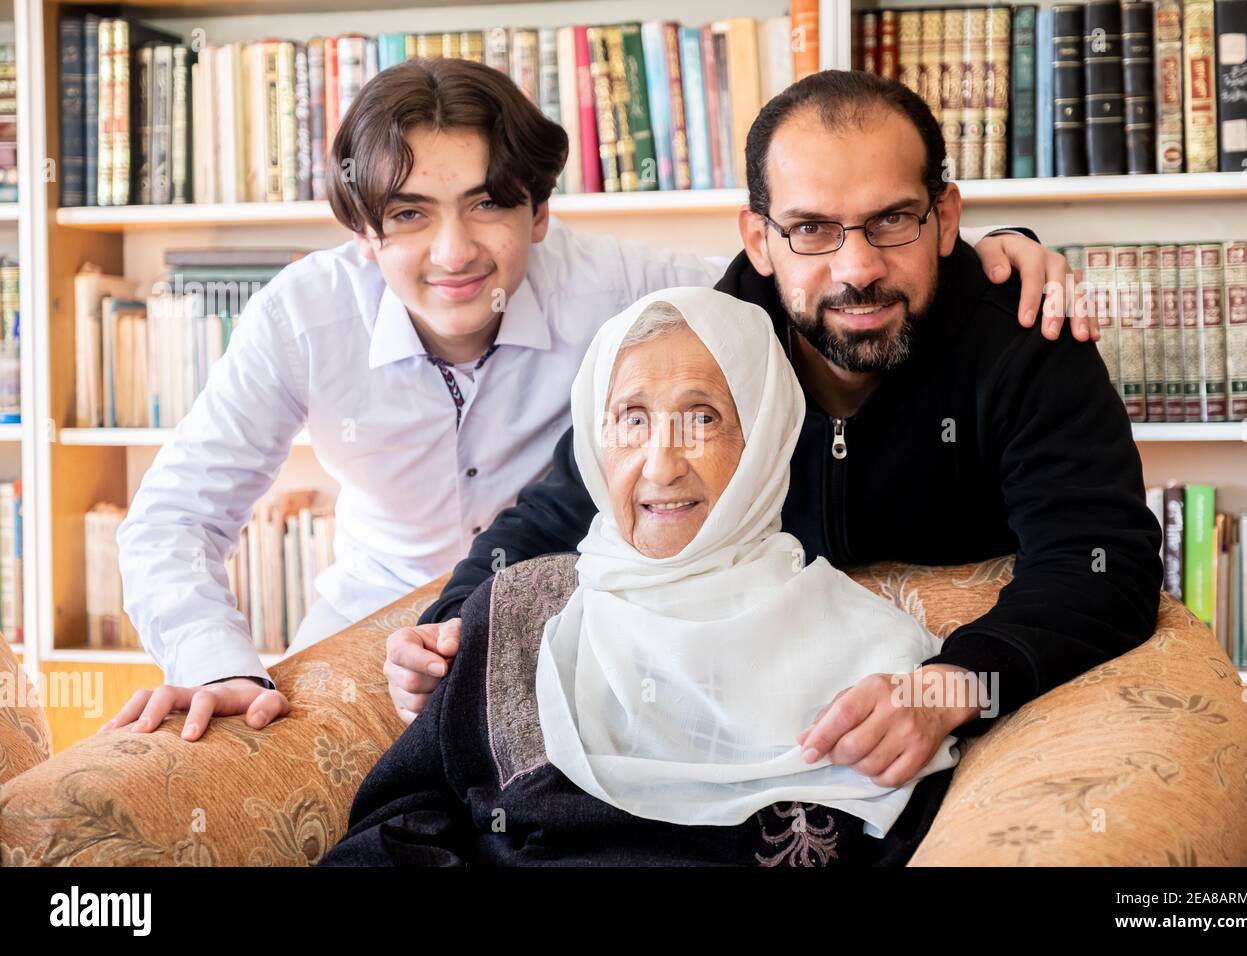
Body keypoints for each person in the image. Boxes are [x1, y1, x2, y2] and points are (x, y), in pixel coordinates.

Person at [105, 58, 1070, 741]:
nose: (453, 252)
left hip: (593, 623)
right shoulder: (298, 318)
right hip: (378, 630)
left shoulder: (632, 289)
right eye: (407, 215)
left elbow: (810, 272)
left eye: (487, 203)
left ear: (540, 208)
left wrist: (989, 256)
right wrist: (218, 662)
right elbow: (176, 517)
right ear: (363, 231)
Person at [394, 70, 1164, 764]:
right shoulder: (709, 341)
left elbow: (1100, 560)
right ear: (759, 239)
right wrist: (452, 624)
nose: (857, 269)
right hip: (738, 708)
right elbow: (561, 507)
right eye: (812, 230)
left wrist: (952, 687)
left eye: (893, 220)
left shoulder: (1028, 341)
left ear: (946, 215)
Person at [321, 288, 972, 867]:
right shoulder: (516, 615)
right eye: (632, 418)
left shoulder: (879, 669)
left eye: (702, 418)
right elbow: (400, 823)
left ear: (767, 437)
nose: (660, 466)